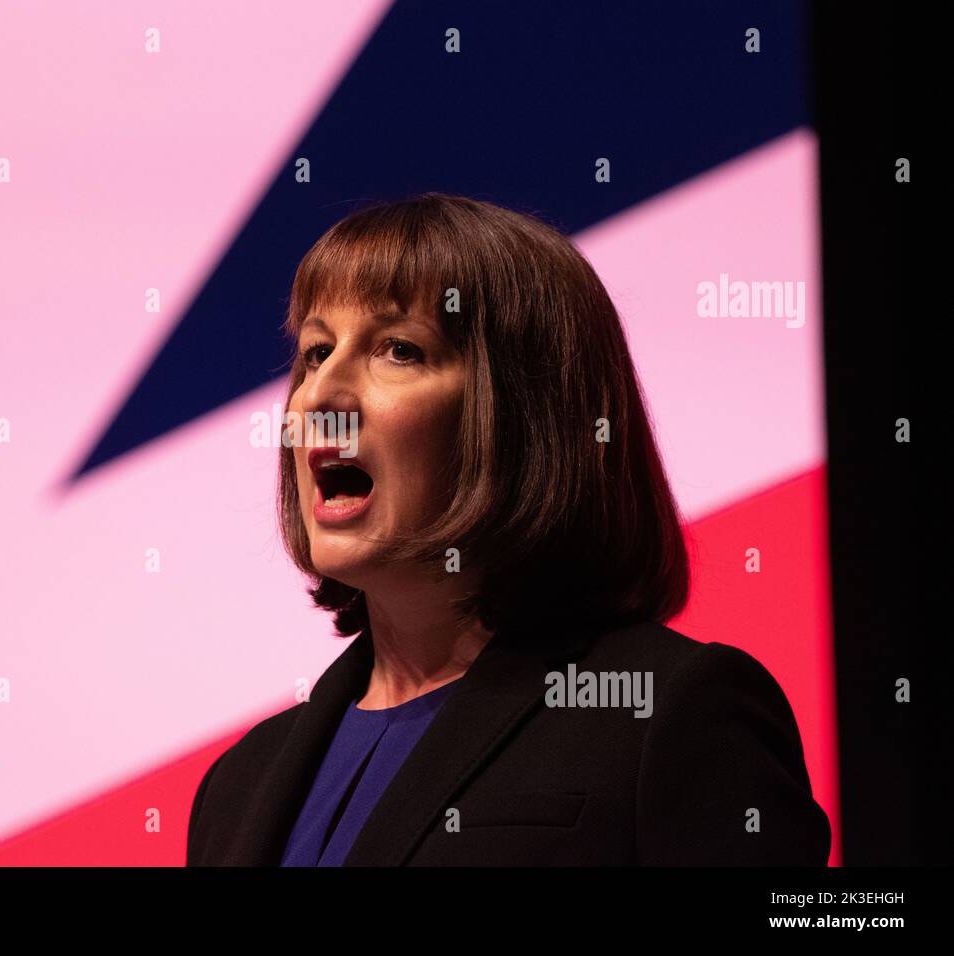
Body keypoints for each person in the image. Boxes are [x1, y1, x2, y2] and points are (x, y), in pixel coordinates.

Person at [186, 193, 830, 866]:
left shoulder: (669, 714)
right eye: (317, 352)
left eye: (398, 350)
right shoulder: (240, 784)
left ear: (528, 416)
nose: (319, 396)